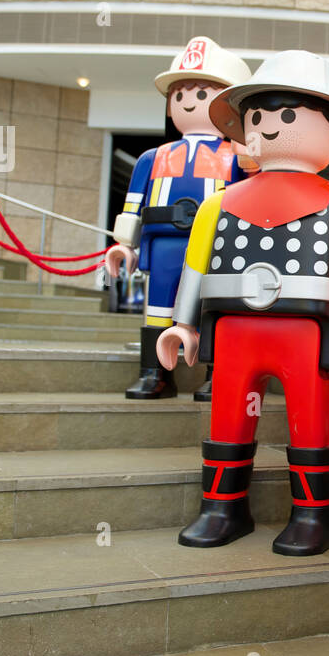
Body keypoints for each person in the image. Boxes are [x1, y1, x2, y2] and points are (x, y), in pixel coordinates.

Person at [157, 50, 329, 557]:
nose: (270, 126)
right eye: (259, 116)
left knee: (310, 417)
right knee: (228, 414)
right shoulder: (217, 204)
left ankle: (314, 515)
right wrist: (181, 325)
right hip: (236, 333)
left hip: (308, 335)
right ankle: (222, 506)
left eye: (289, 115)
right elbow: (195, 269)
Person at [105, 37, 251, 400]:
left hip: (219, 245)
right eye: (180, 95)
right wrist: (123, 245)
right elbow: (133, 204)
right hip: (165, 243)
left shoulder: (236, 157)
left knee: (215, 305)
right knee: (158, 307)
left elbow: (250, 202)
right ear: (170, 106)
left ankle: (219, 374)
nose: (188, 102)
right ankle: (155, 372)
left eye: (202, 95)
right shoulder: (152, 158)